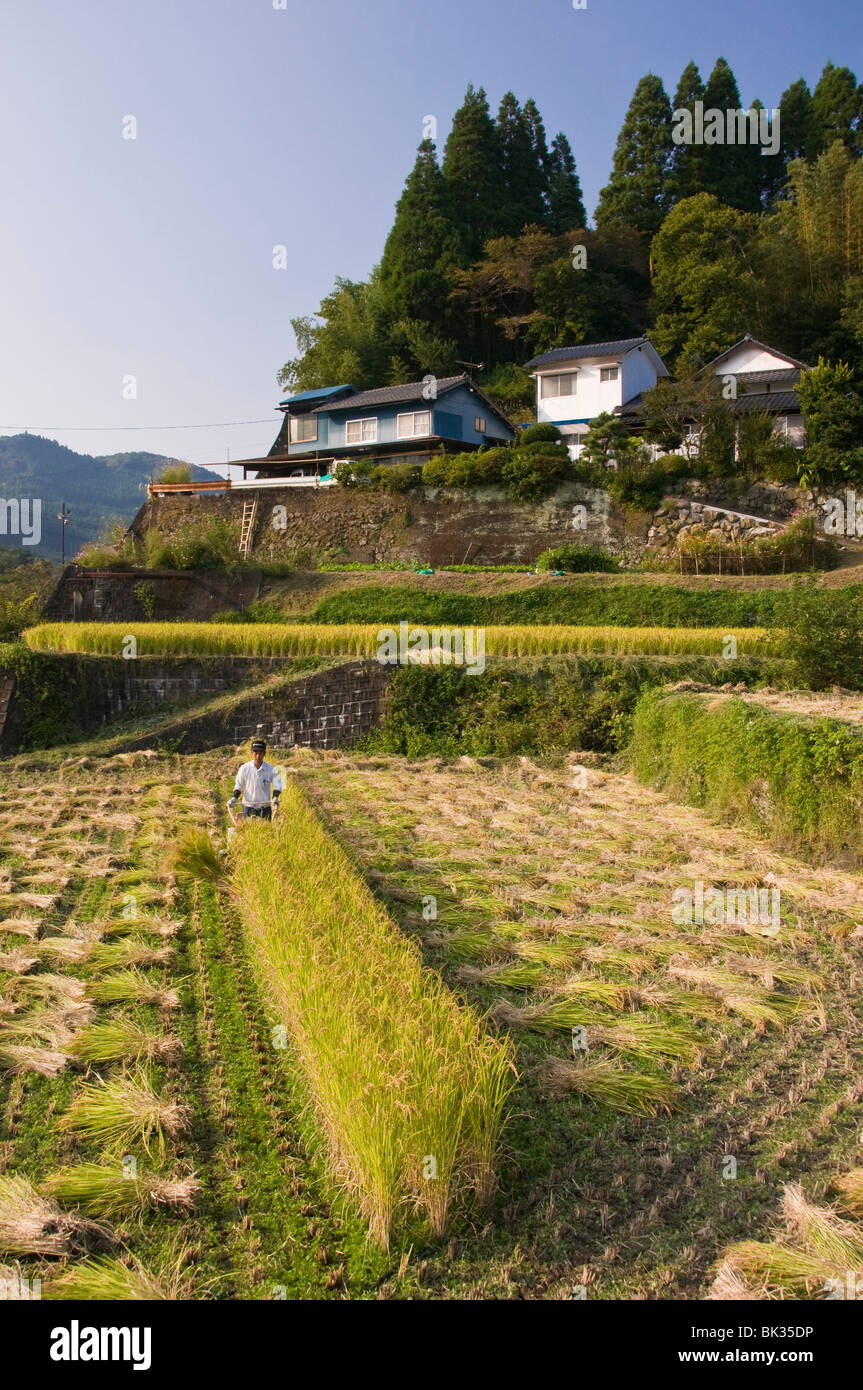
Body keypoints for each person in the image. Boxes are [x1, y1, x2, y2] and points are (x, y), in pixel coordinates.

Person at [229, 739, 282, 821]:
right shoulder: (245, 768)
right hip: (248, 808)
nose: (258, 756)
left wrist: (275, 797)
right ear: (251, 753)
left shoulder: (270, 769)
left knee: (266, 831)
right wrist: (234, 798)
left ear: (264, 754)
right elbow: (239, 786)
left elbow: (278, 785)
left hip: (265, 809)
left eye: (260, 753)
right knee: (248, 832)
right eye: (256, 753)